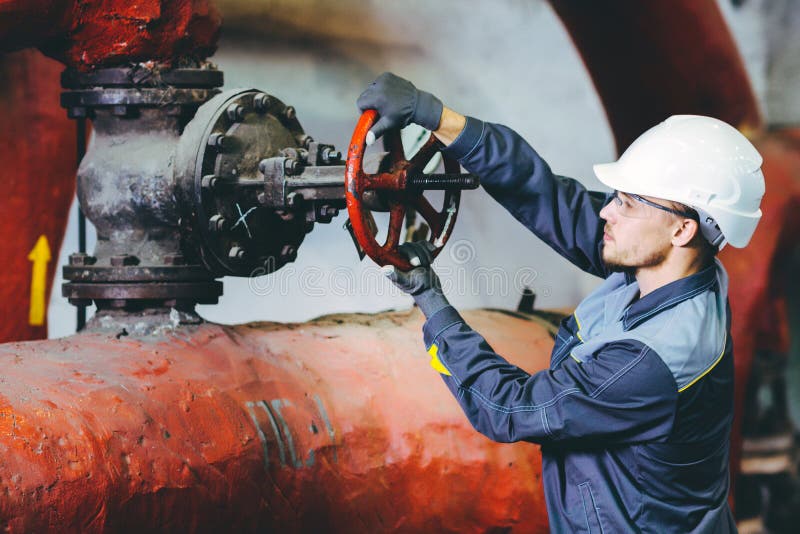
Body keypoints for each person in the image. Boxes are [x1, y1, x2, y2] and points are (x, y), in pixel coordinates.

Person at [357, 72, 765, 533]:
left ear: (683, 229)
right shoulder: (676, 267)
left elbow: (510, 408)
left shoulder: (650, 362)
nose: (607, 211)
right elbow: (547, 195)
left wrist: (430, 301)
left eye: (628, 203)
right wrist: (436, 115)